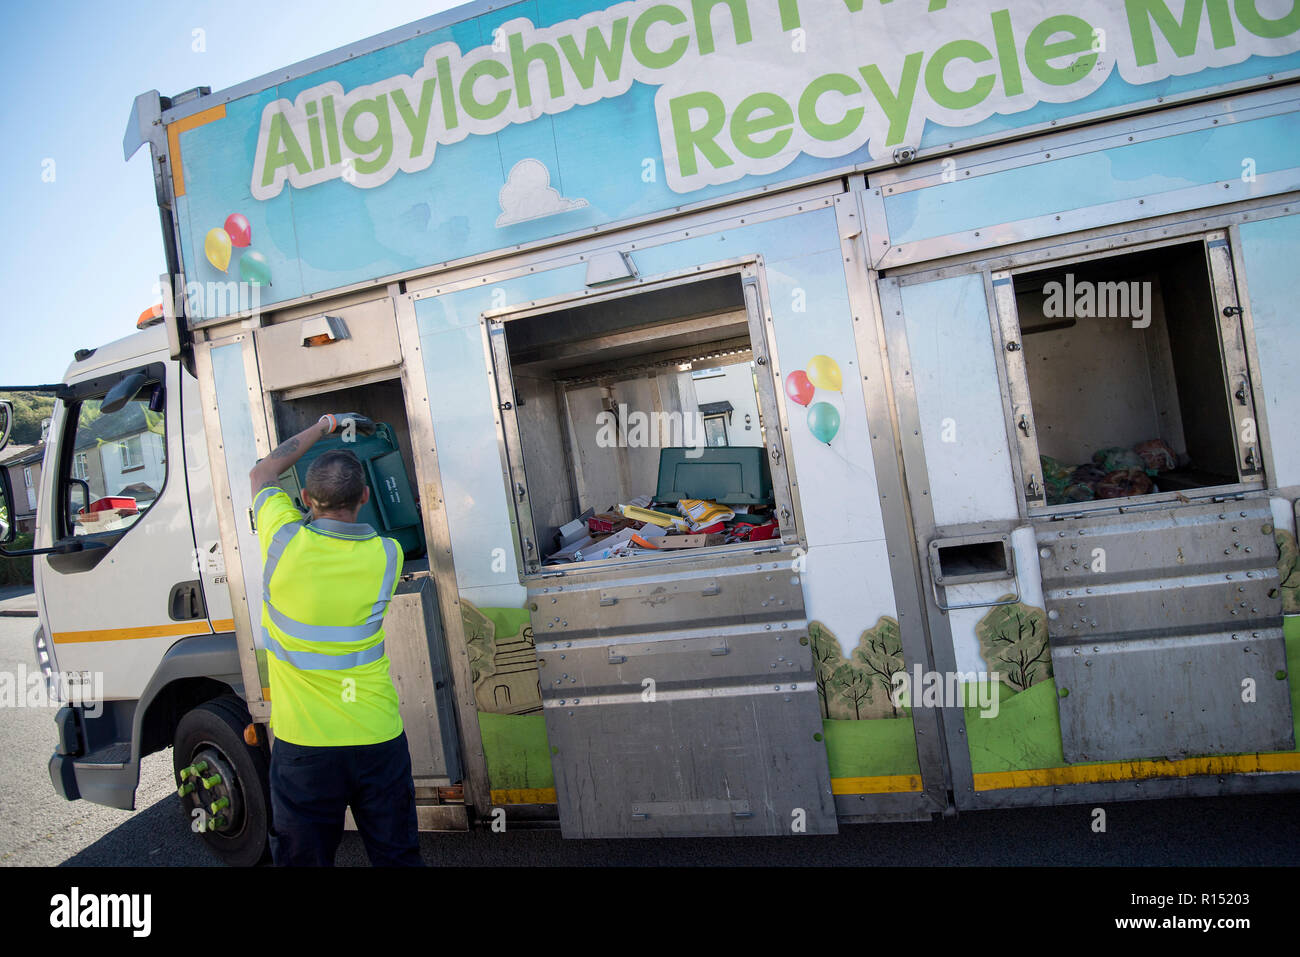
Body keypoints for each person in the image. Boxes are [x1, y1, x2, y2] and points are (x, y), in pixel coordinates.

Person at [249, 412, 422, 867]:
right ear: (366, 497)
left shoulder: (282, 541)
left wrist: (327, 424)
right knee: (397, 857)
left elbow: (262, 472)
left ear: (304, 498)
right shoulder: (387, 554)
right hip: (375, 737)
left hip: (303, 746)